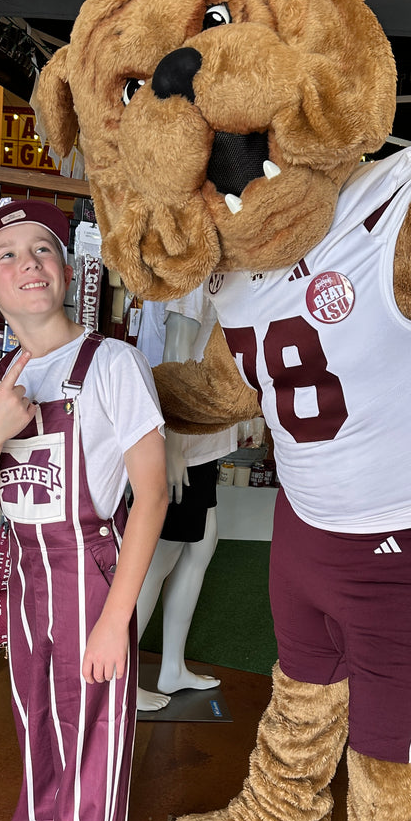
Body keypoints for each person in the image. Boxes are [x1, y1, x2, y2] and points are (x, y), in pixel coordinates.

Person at [0, 199, 168, 821]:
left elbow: (152, 494)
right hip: (24, 567)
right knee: (35, 718)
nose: (29, 264)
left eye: (42, 249)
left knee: (93, 735)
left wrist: (116, 618)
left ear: (68, 272)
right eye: (7, 255)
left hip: (88, 567)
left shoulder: (111, 364)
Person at [134, 289, 238, 711]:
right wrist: (174, 444)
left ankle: (172, 667)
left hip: (201, 439)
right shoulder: (195, 275)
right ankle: (118, 676)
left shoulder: (215, 274)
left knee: (200, 546)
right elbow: (176, 350)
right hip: (183, 443)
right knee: (156, 559)